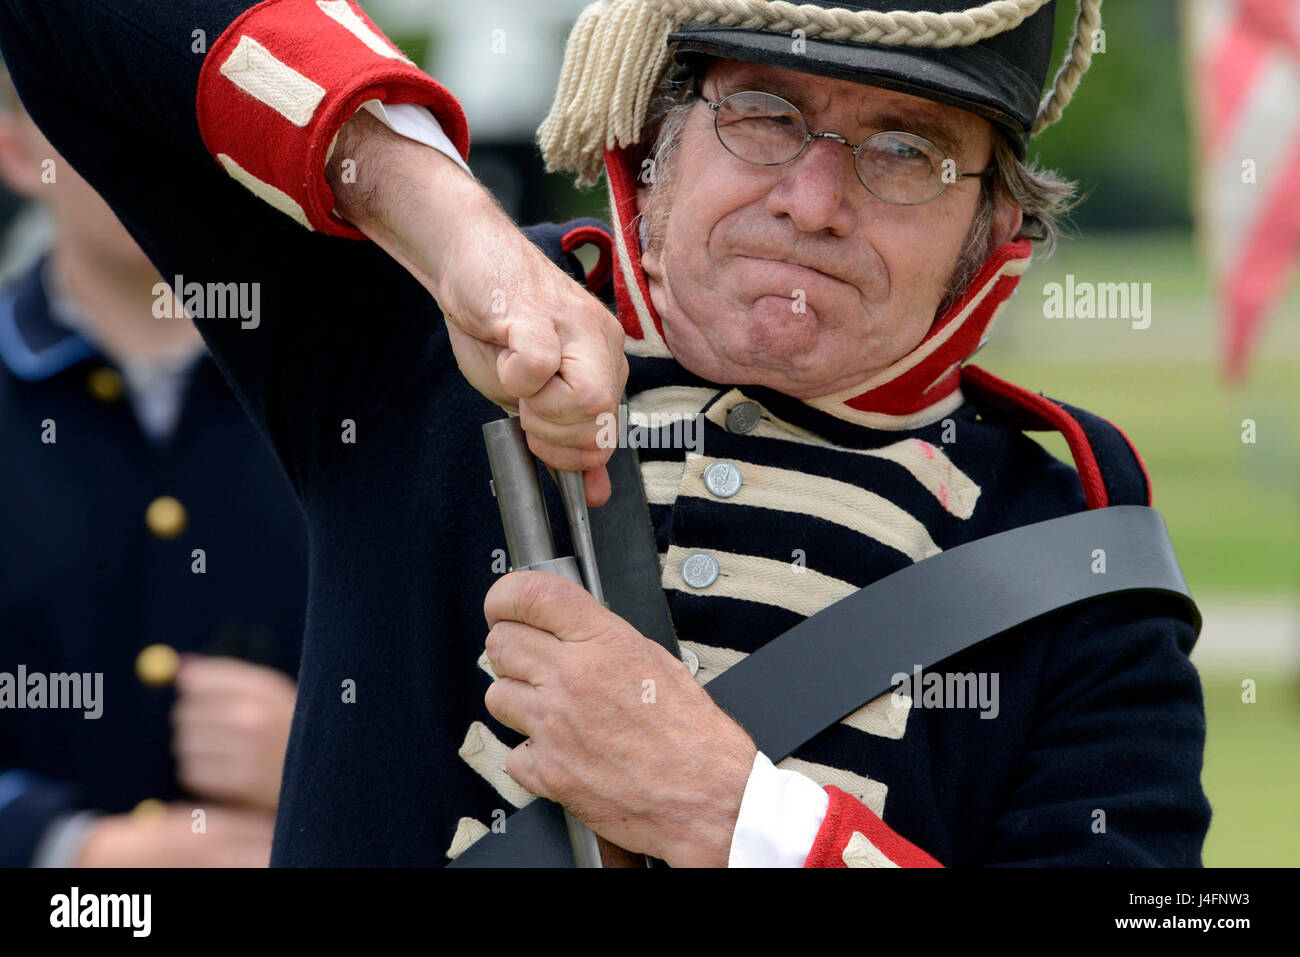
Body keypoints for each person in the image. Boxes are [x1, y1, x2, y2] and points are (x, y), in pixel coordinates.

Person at [0, 0, 1211, 867]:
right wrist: (450, 226)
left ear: (990, 229)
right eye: (766, 115)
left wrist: (734, 819)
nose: (812, 201)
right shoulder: (416, 347)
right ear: (654, 138)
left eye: (908, 151)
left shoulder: (1073, 561)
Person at [0, 75, 307, 866]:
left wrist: (323, 756)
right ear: (14, 148)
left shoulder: (363, 393)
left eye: (176, 110)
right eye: (96, 110)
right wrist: (67, 849)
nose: (144, 150)